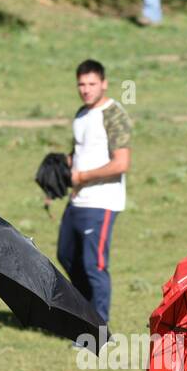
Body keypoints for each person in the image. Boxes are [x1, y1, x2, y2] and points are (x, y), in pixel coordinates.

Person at [56, 60, 132, 326]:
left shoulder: (114, 114)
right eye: (81, 84)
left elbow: (121, 163)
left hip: (102, 201)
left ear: (104, 83)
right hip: (77, 200)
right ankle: (84, 313)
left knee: (94, 266)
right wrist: (58, 170)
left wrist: (81, 177)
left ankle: (97, 329)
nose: (86, 89)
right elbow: (79, 153)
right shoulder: (81, 113)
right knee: (65, 255)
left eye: (91, 84)